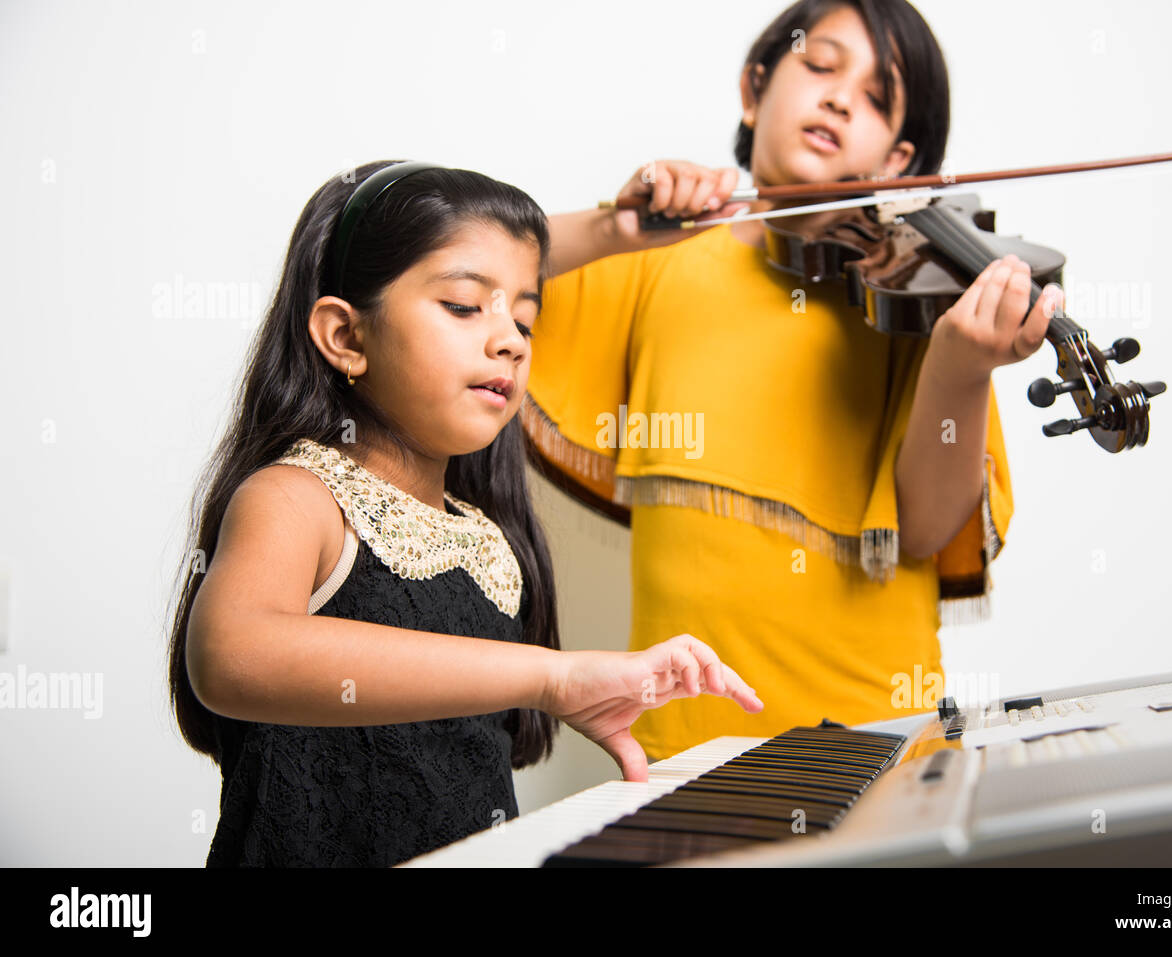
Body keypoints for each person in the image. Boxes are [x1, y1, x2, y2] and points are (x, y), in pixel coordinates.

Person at [165, 161, 762, 868]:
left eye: (525, 317)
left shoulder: (486, 538)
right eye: (462, 307)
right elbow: (233, 655)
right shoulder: (299, 496)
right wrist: (551, 676)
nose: (509, 336)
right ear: (346, 338)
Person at [525, 0, 1061, 761]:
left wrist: (958, 367)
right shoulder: (657, 260)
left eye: (878, 99)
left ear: (899, 163)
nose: (842, 98)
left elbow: (927, 529)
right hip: (680, 751)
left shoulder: (913, 302)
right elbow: (475, 270)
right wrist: (610, 228)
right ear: (753, 89)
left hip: (880, 747)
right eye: (821, 65)